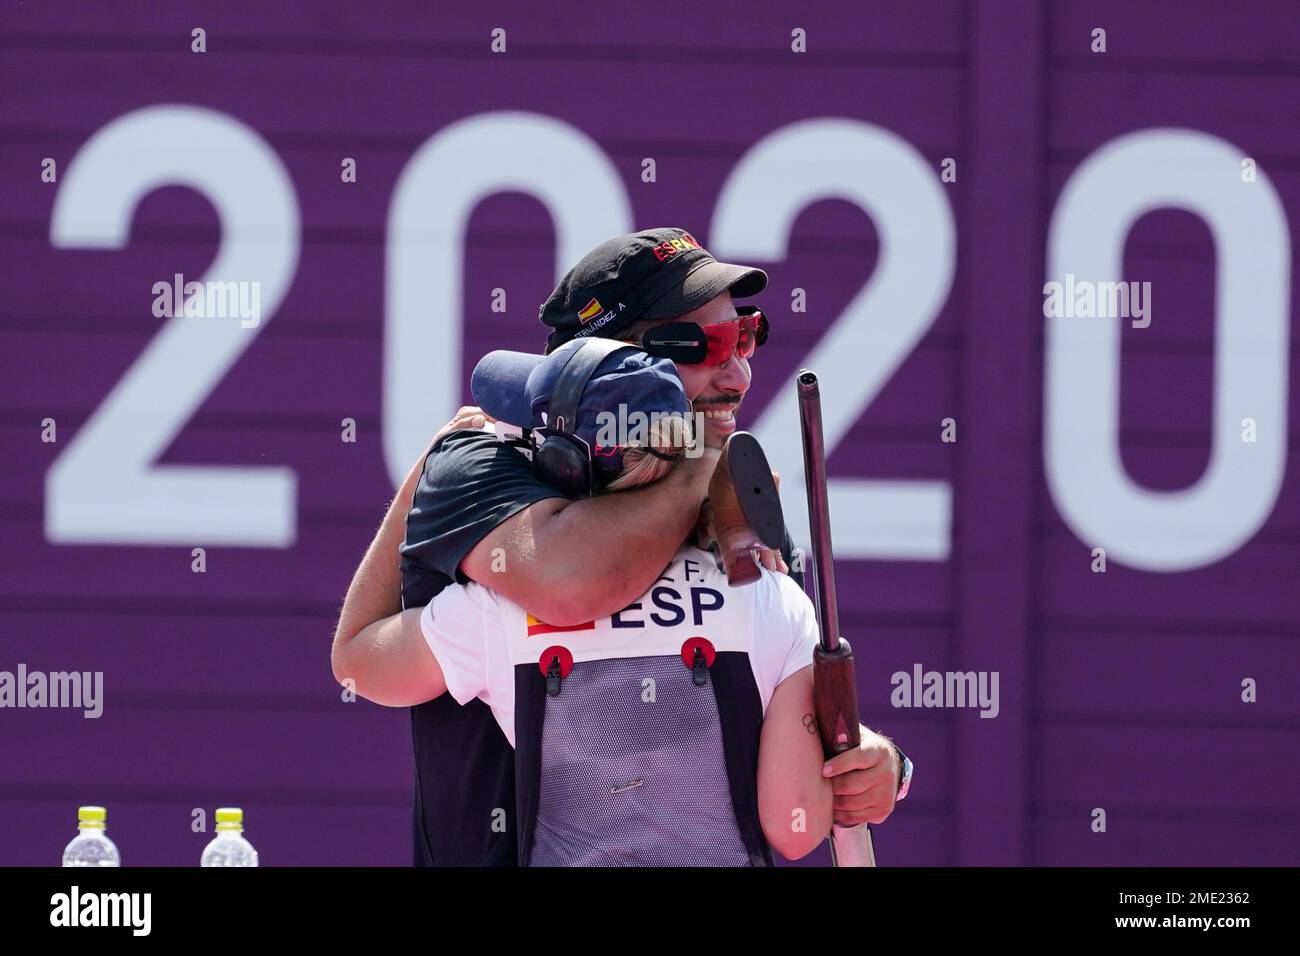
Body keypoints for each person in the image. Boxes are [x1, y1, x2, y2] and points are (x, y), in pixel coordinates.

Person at [332, 228, 910, 866]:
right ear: (621, 366)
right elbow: (571, 583)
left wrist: (874, 760)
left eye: (745, 334)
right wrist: (702, 465)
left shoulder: (739, 510)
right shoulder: (480, 463)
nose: (740, 370)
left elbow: (775, 742)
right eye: (707, 344)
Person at [344, 338, 833, 864]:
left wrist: (425, 474)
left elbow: (357, 661)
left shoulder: (497, 608)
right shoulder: (770, 593)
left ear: (565, 465)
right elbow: (795, 827)